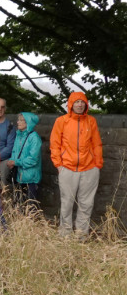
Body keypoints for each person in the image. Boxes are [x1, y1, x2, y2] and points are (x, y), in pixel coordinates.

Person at [50, 92, 103, 239]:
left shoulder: (91, 121)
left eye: (82, 102)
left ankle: (81, 235)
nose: (79, 104)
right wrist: (58, 165)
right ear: (70, 104)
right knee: (66, 203)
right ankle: (65, 234)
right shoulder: (61, 121)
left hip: (89, 168)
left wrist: (97, 164)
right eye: (76, 102)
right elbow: (55, 144)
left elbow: (96, 143)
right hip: (67, 168)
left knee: (86, 204)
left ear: (86, 104)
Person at [6, 112, 42, 211]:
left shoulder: (34, 137)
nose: (18, 122)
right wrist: (11, 161)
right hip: (19, 175)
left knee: (31, 205)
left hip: (31, 177)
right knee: (19, 204)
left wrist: (15, 162)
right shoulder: (19, 135)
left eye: (21, 120)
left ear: (29, 122)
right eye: (18, 119)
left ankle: (31, 224)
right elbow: (15, 151)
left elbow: (33, 160)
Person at [0, 98, 16, 185]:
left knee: (0, 184)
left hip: (2, 160)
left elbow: (9, 147)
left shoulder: (9, 126)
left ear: (5, 108)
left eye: (2, 107)